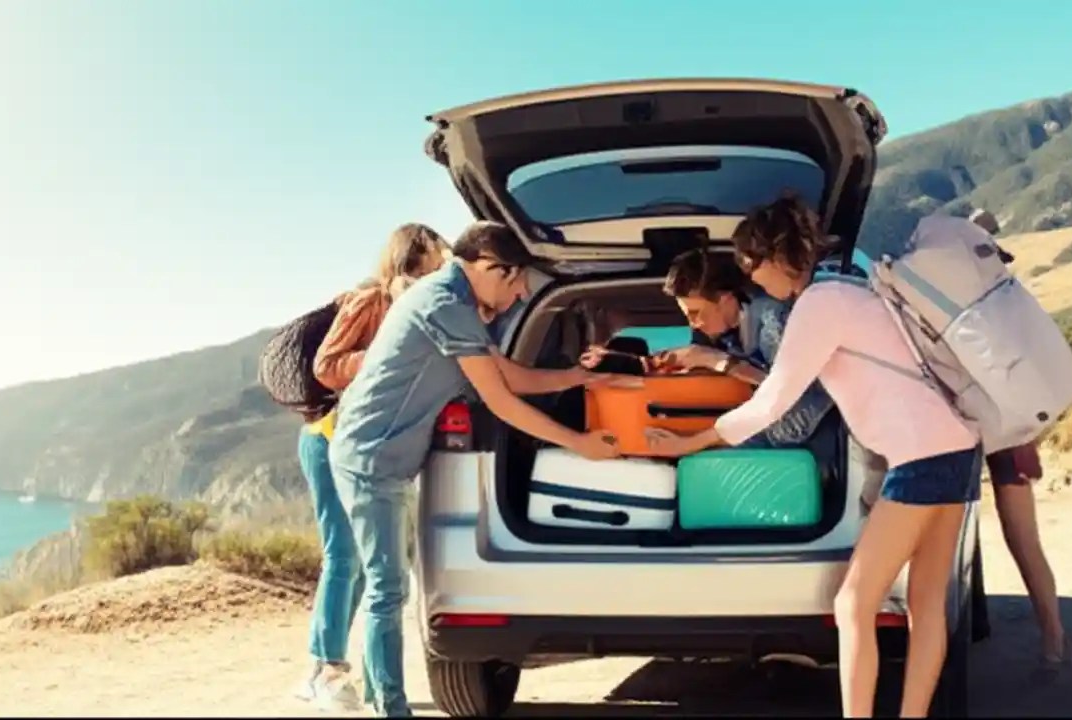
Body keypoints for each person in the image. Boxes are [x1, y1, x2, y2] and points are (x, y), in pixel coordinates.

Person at [643, 195, 981, 718]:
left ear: (778, 258)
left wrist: (689, 444)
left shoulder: (817, 304)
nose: (753, 282)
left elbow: (774, 403)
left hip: (920, 460)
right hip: (957, 446)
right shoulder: (850, 288)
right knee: (926, 604)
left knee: (853, 603)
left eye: (752, 268)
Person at [327, 220, 624, 717]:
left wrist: (577, 378)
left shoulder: (454, 302)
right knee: (388, 588)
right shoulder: (445, 303)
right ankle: (392, 710)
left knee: (386, 584)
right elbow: (501, 401)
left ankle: (384, 698)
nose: (518, 294)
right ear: (489, 266)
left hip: (385, 458)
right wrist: (580, 444)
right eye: (515, 281)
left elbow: (508, 373)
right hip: (370, 458)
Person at [293, 223, 450, 711]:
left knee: (369, 562)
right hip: (329, 440)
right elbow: (326, 365)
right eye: (428, 259)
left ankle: (353, 672)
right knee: (344, 555)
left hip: (364, 445)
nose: (433, 269)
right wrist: (388, 354)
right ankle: (323, 667)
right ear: (406, 260)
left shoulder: (417, 306)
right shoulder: (370, 301)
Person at [580, 248, 837, 452]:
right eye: (687, 316)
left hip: (822, 446)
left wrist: (697, 443)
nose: (693, 323)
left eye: (697, 313)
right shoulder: (716, 335)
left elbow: (796, 418)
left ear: (725, 300)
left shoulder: (773, 322)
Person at [968, 207, 1072, 670]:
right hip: (1006, 429)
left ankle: (1051, 636)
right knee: (1020, 535)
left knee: (1004, 535)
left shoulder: (961, 304)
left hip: (976, 426)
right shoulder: (1003, 302)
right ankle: (1052, 639)